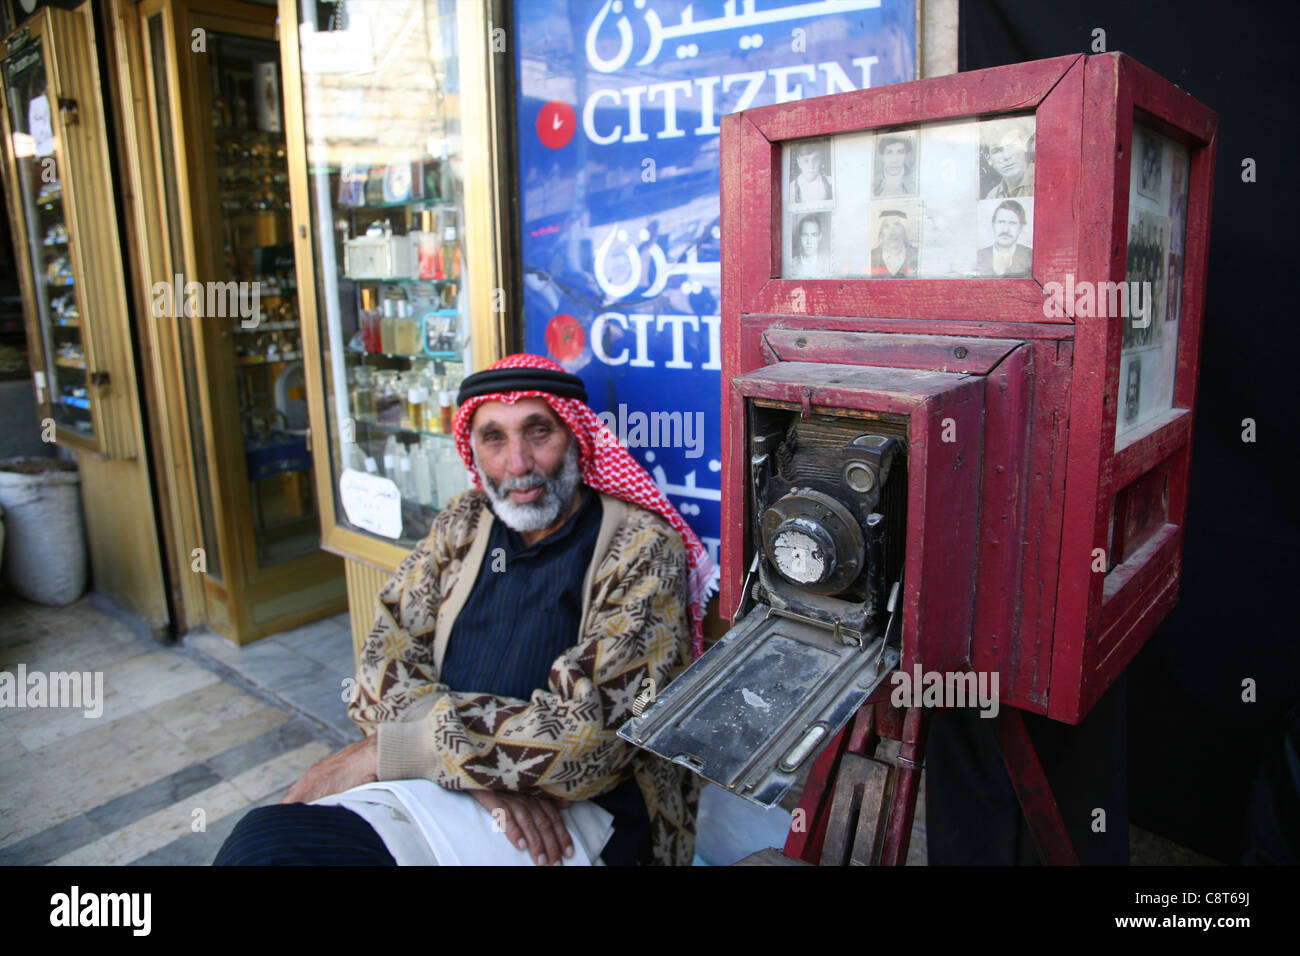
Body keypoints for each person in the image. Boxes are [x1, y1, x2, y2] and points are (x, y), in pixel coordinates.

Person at [213, 354, 718, 866]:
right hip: (453, 786)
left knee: (272, 849)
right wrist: (466, 773)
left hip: (580, 816)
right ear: (472, 447)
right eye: (494, 438)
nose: (518, 463)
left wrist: (391, 753)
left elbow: (586, 744)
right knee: (264, 841)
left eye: (538, 432)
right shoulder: (463, 521)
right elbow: (380, 667)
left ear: (576, 438)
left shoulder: (639, 546)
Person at [976, 200, 1033, 277]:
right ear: (993, 225)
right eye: (1001, 222)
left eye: (1012, 223)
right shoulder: (977, 256)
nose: (1005, 230)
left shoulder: (1031, 256)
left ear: (1021, 227)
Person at [984, 128, 1034, 198]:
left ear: (1025, 147)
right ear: (988, 158)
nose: (1006, 156)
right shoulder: (992, 195)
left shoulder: (1042, 179)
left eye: (1012, 146)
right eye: (997, 150)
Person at [868, 209, 918, 278]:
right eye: (886, 226)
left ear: (903, 230)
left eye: (896, 224)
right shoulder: (870, 256)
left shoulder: (917, 254)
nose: (892, 230)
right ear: (881, 232)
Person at [791, 213, 831, 277]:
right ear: (800, 237)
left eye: (813, 235)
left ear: (820, 237)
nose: (809, 241)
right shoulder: (791, 265)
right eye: (805, 235)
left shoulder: (828, 264)